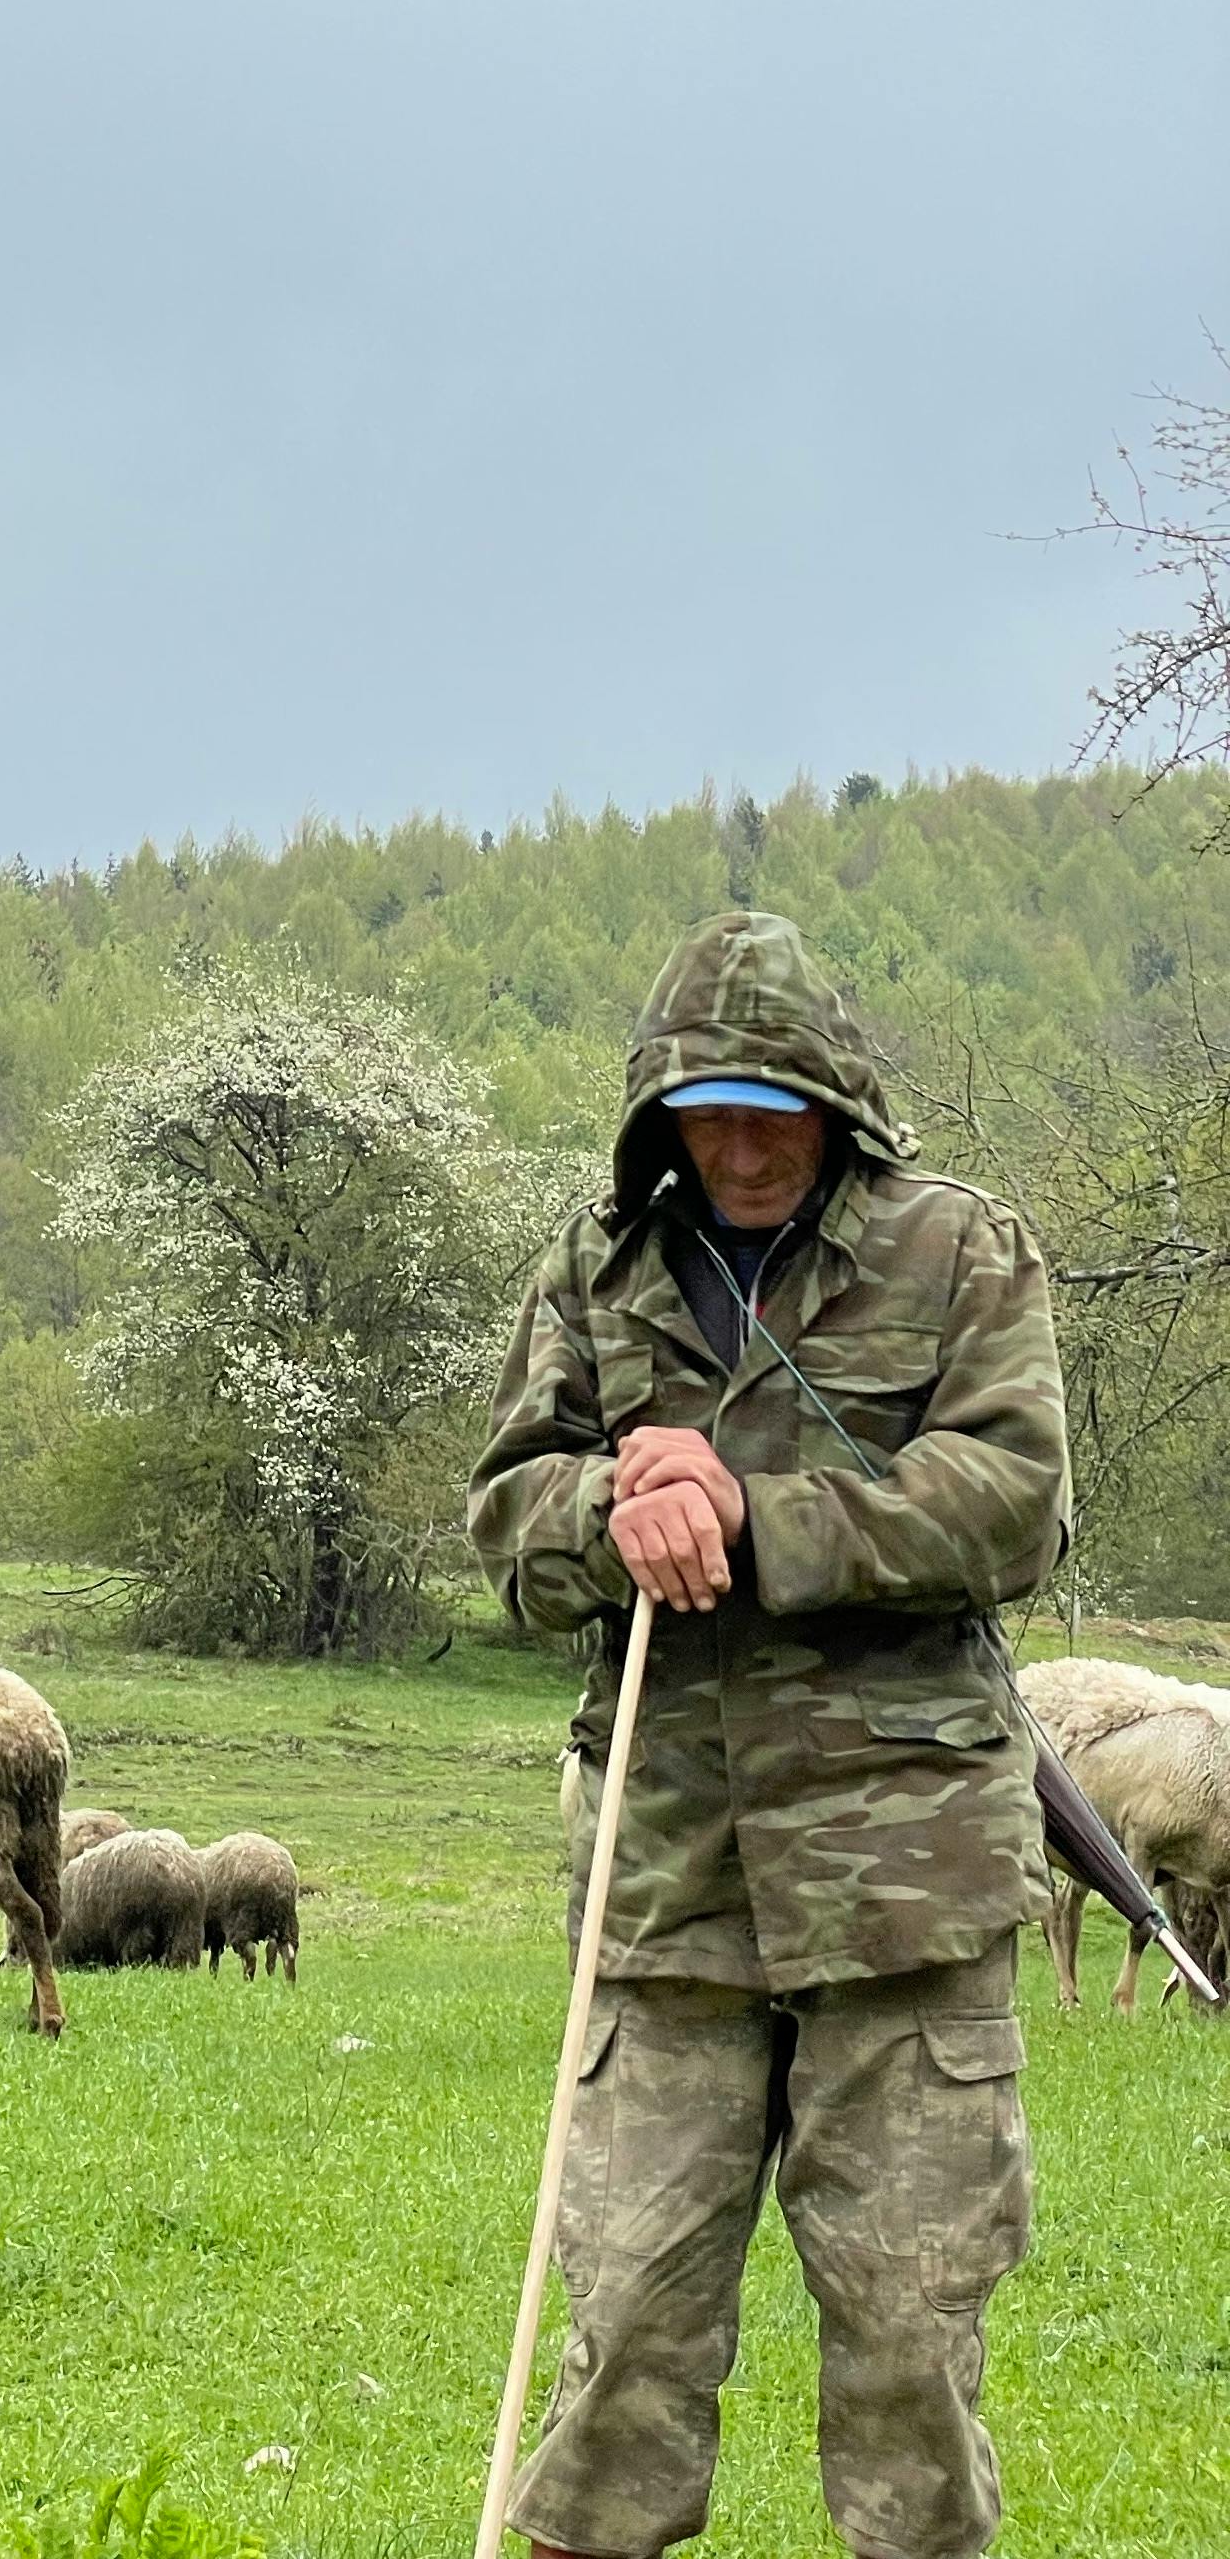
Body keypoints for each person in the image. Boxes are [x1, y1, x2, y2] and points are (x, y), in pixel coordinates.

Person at [469, 907, 1068, 2559]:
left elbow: (1015, 1504)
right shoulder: (593, 1278)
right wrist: (611, 1508)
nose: (739, 1144)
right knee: (630, 2319)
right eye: (706, 1110)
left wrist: (759, 1516)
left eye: (772, 1106)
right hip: (665, 1880)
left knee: (908, 2329)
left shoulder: (960, 1254)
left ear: (838, 1104)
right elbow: (508, 1514)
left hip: (908, 1884)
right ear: (658, 1113)